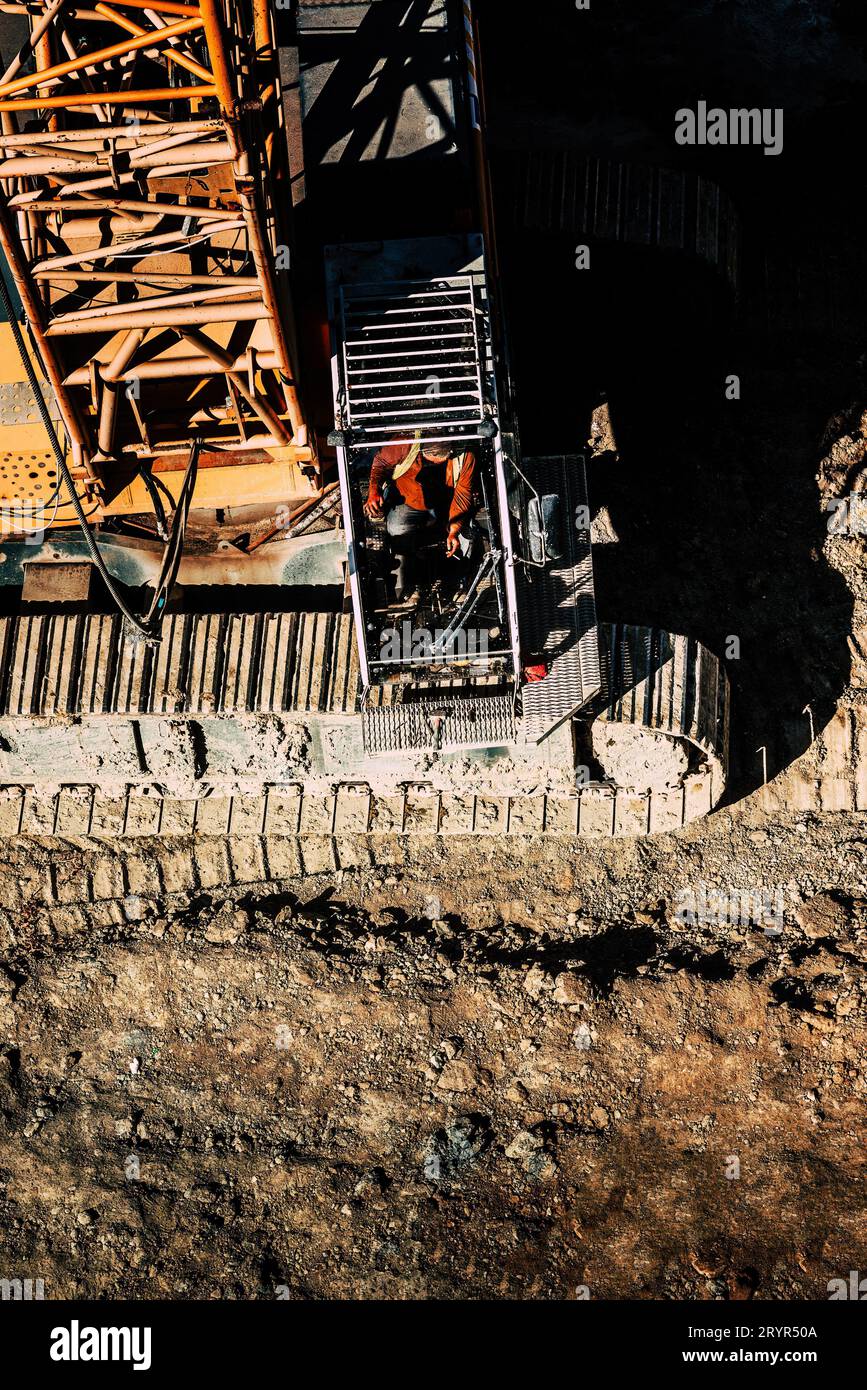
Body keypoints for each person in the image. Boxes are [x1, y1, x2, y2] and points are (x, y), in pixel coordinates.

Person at [363, 439, 477, 600]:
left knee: (466, 533)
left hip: (446, 503)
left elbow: (463, 494)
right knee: (396, 530)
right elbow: (380, 463)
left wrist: (454, 530)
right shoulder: (404, 443)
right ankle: (410, 580)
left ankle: (460, 580)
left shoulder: (465, 456)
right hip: (408, 500)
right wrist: (373, 490)